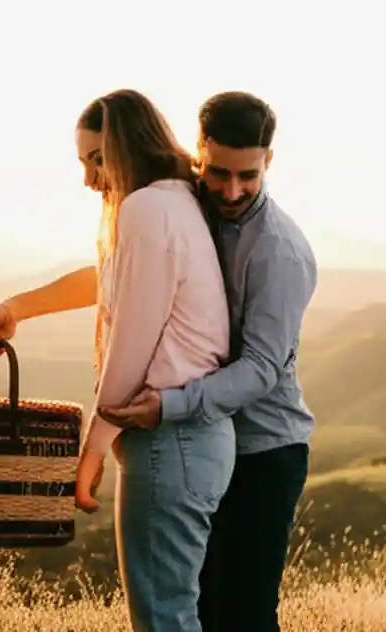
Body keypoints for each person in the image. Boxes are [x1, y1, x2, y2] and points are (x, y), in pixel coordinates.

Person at [0, 89, 233, 632]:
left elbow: (134, 339)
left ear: (128, 147)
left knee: (162, 618)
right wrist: (16, 308)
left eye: (97, 160)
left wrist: (93, 446)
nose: (89, 180)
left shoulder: (147, 207)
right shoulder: (169, 200)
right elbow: (108, 278)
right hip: (186, 440)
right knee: (172, 612)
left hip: (167, 442)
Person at [98, 91, 317, 632]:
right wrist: (19, 308)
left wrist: (169, 406)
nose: (232, 190)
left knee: (242, 618)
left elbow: (262, 369)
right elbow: (139, 277)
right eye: (218, 172)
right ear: (199, 151)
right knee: (199, 611)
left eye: (248, 176)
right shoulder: (189, 204)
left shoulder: (279, 250)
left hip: (264, 452)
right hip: (205, 443)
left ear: (269, 161)